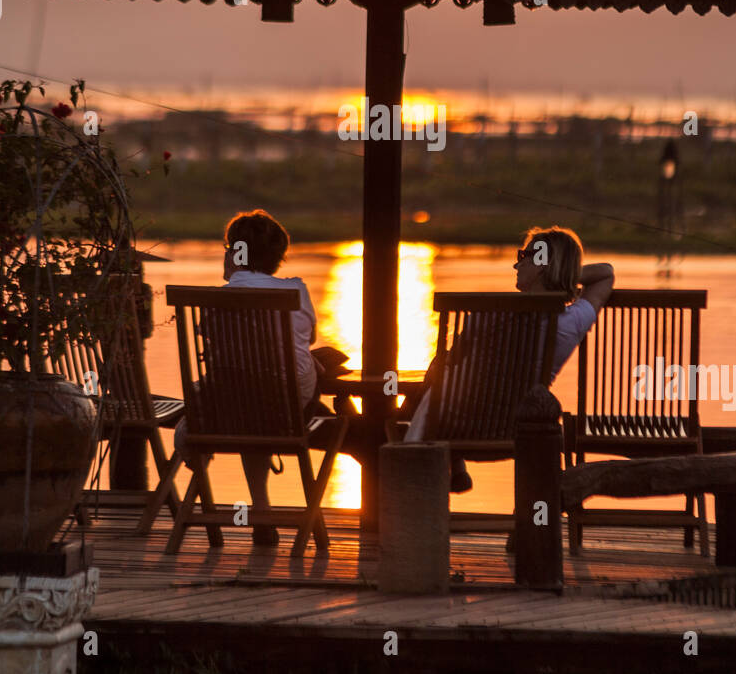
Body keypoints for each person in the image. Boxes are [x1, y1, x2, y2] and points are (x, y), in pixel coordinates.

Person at [173, 209, 351, 546]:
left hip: (233, 408)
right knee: (272, 382)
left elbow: (210, 342)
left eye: (228, 248)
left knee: (243, 389)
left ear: (234, 253)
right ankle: (264, 513)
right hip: (285, 410)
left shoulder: (214, 301)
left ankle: (259, 507)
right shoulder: (296, 291)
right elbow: (309, 340)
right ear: (277, 259)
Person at [403, 226, 614, 495]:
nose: (516, 264)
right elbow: (606, 274)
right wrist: (562, 276)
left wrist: (554, 272)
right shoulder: (572, 323)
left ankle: (439, 470)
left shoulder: (487, 311)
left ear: (540, 264)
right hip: (521, 429)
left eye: (523, 256)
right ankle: (459, 472)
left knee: (436, 371)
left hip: (454, 427)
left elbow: (450, 362)